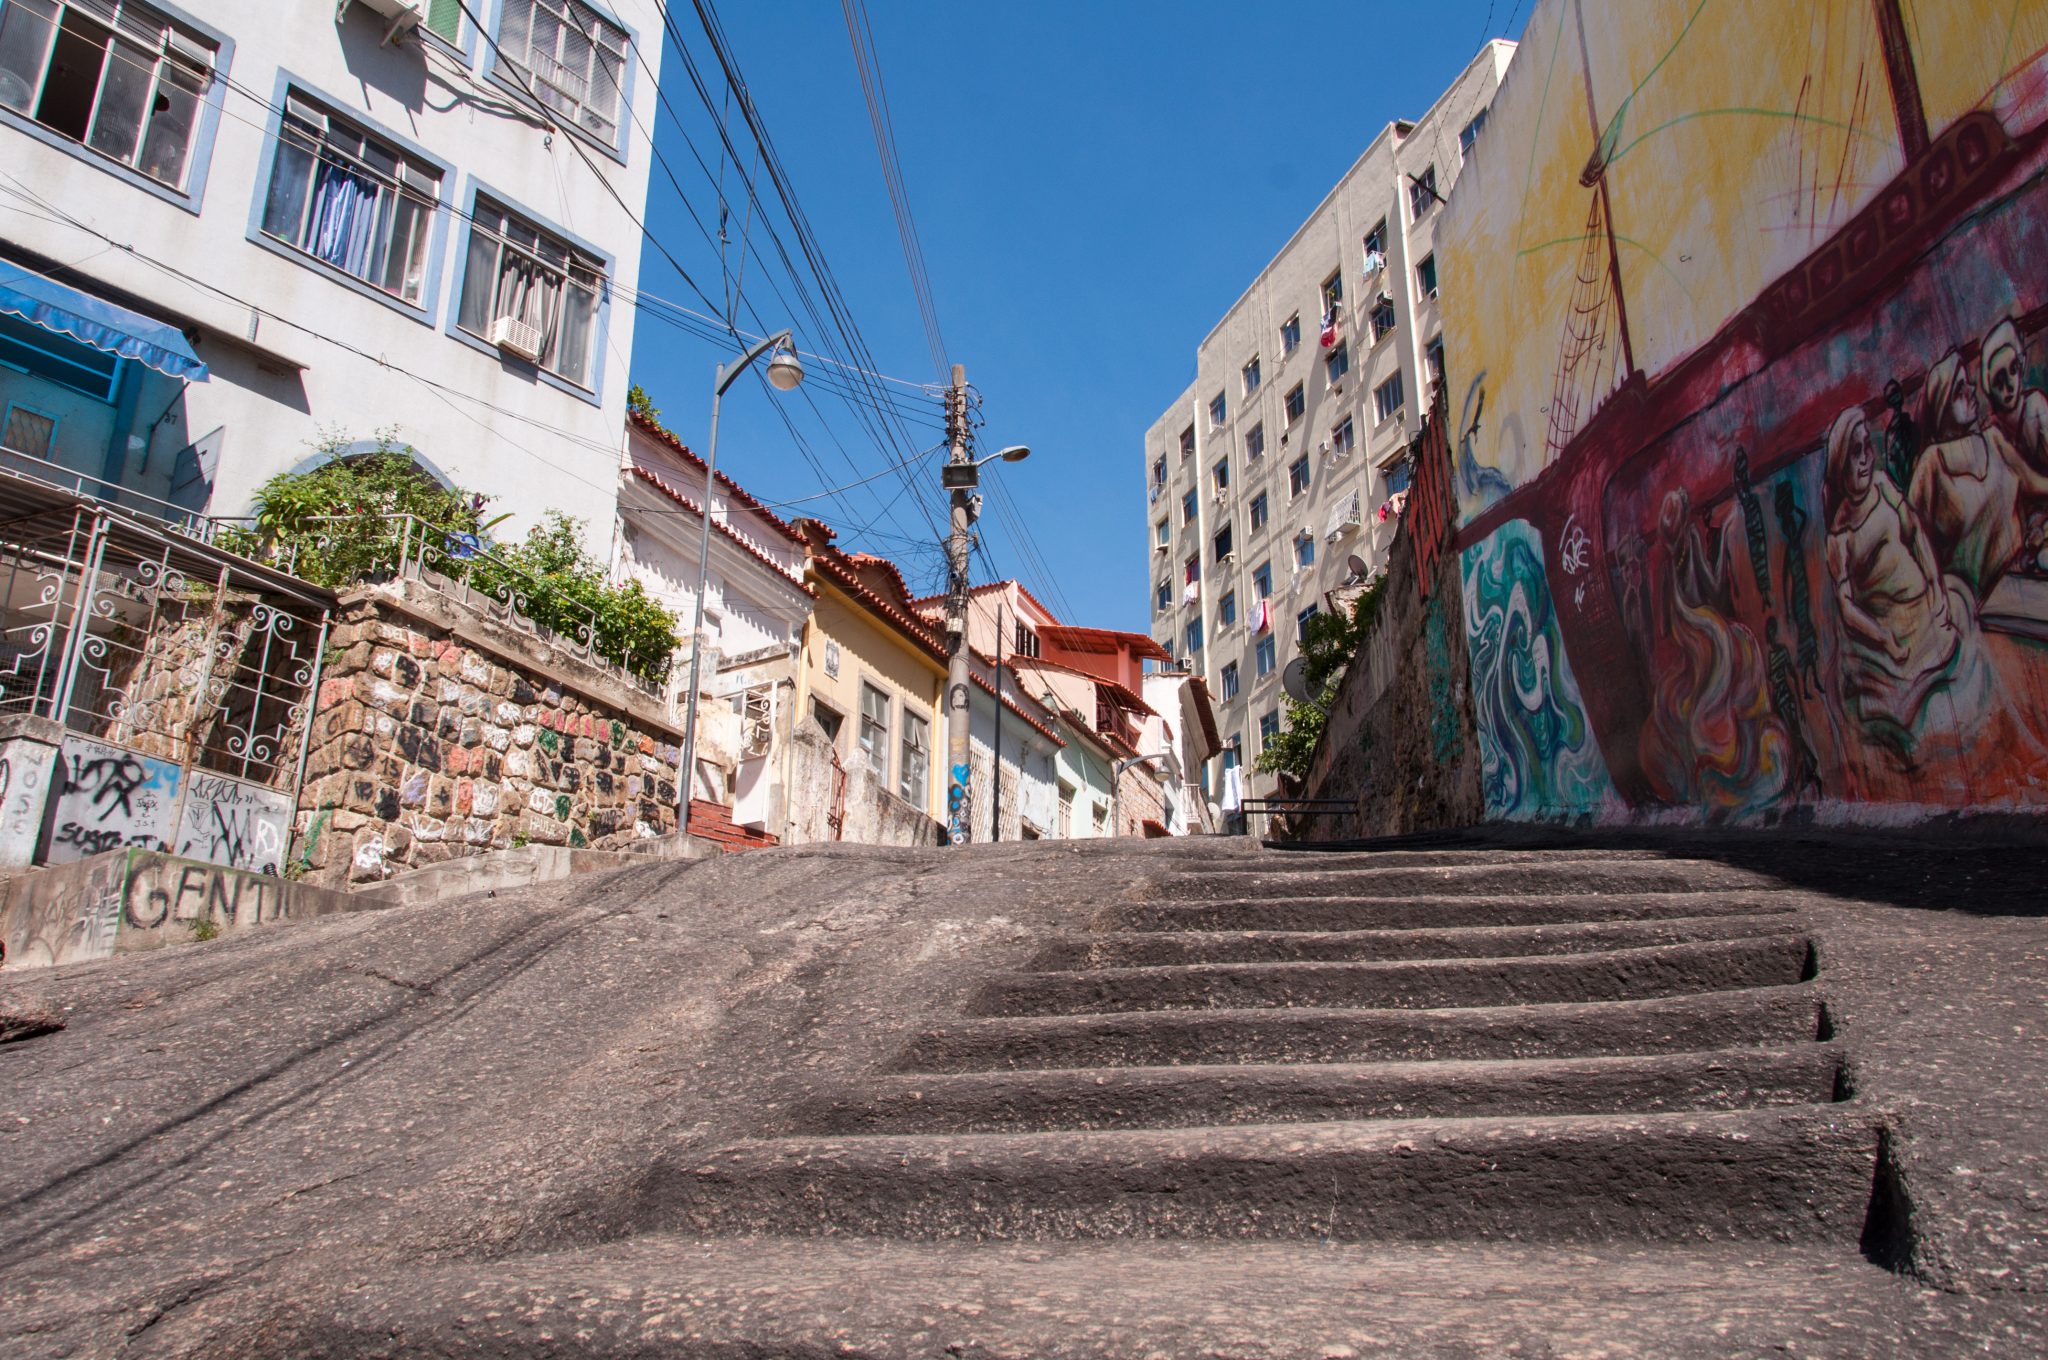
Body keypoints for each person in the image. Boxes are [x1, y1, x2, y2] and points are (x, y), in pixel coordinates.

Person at [1824, 405, 1966, 760]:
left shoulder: (1884, 486)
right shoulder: (1839, 538)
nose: (1864, 461)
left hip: (1928, 610)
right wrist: (1884, 639)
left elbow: (1914, 531)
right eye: (1855, 453)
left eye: (1867, 448)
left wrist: (1935, 583)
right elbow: (1846, 605)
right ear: (1841, 466)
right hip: (1895, 637)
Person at [1907, 350, 2020, 599]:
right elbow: (1911, 541)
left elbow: (2032, 481)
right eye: (1959, 390)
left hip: (2020, 579)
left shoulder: (1993, 439)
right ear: (1941, 406)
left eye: (1968, 383)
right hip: (1970, 603)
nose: (1970, 391)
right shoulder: (1931, 462)